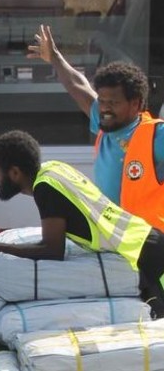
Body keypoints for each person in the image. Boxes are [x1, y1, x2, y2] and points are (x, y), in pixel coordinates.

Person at [0, 130, 164, 316]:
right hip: (149, 240)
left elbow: (52, 250)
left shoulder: (45, 188)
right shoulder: (53, 168)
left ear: (15, 173)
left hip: (147, 257)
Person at [29, 25, 164, 228]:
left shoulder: (155, 134)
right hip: (114, 238)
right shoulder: (104, 121)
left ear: (135, 103)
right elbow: (78, 86)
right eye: (102, 101)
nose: (105, 108)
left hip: (150, 244)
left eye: (114, 103)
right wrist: (55, 58)